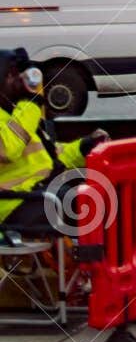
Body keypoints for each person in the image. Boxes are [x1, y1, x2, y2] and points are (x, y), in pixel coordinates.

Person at [0, 50, 108, 232]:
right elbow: (7, 150)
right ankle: (95, 259)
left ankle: (116, 258)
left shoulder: (17, 114)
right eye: (12, 74)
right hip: (10, 204)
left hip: (37, 194)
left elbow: (50, 156)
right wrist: (31, 101)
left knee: (109, 192)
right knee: (92, 204)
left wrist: (84, 148)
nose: (19, 79)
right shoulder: (24, 112)